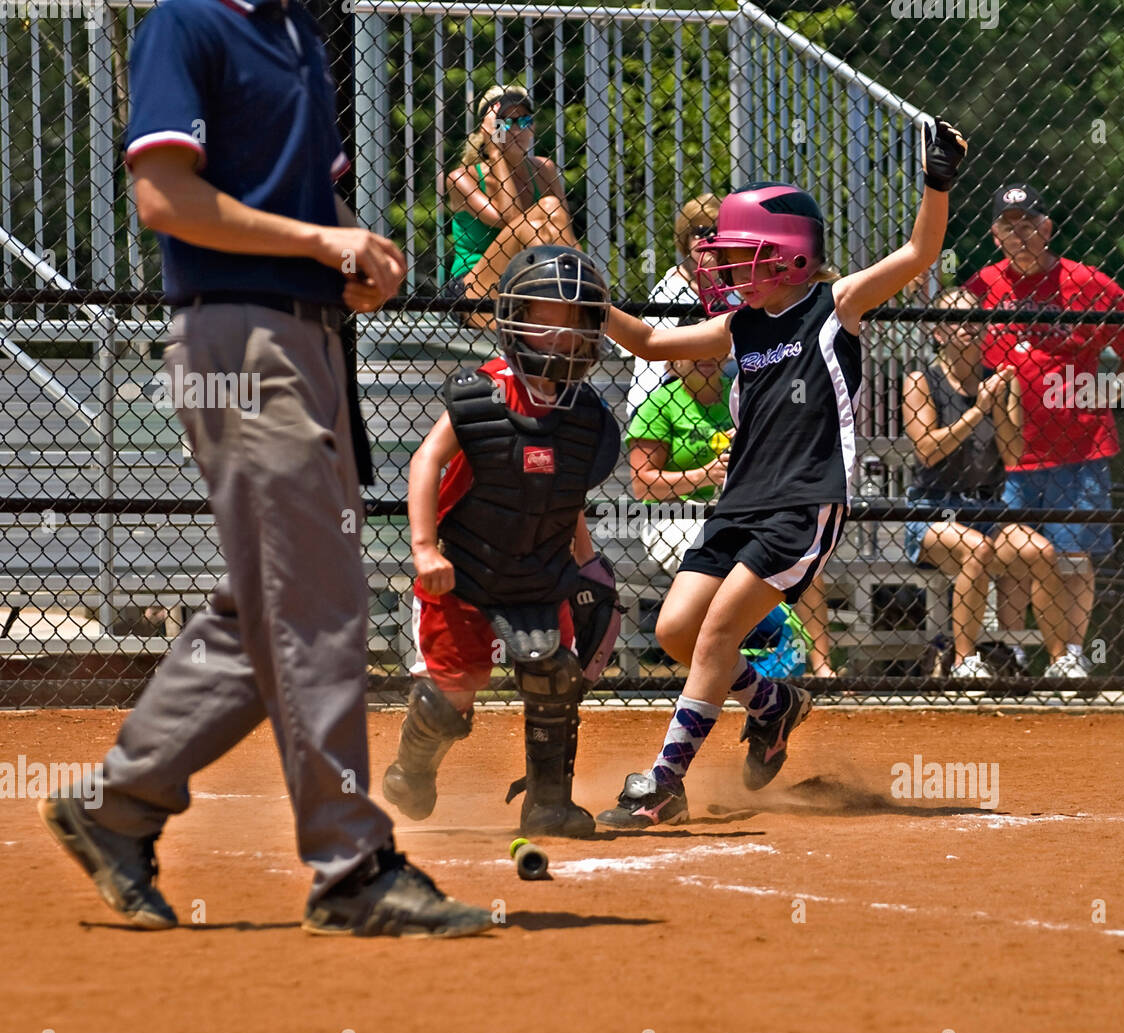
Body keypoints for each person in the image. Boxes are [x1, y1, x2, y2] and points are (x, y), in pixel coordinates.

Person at [38, 0, 493, 938]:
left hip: (312, 340)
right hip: (238, 338)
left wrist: (357, 246)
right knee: (318, 601)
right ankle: (351, 866)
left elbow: (314, 202)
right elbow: (165, 195)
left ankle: (115, 809)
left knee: (275, 605)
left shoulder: (295, 36)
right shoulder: (188, 24)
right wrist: (322, 244)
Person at [592, 118, 968, 827]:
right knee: (676, 630)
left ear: (789, 259)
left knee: (715, 634)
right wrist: (590, 298)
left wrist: (937, 179)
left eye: (741, 257)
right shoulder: (740, 328)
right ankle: (773, 705)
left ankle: (665, 782)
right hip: (739, 503)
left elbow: (921, 251)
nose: (724, 271)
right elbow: (644, 338)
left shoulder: (835, 307)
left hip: (803, 502)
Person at [382, 246, 623, 838]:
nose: (560, 339)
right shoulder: (488, 392)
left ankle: (548, 804)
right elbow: (425, 463)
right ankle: (413, 770)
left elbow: (560, 499)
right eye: (545, 321)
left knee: (554, 677)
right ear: (514, 318)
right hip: (460, 570)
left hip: (537, 573)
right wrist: (423, 548)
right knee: (451, 696)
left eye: (574, 325)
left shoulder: (585, 414)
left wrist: (588, 567)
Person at [964, 184, 1124, 678]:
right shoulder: (983, 286)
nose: (1019, 232)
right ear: (994, 235)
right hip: (1008, 452)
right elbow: (954, 340)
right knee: (1014, 556)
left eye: (1028, 222)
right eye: (1008, 224)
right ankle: (1014, 652)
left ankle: (1070, 657)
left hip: (1078, 447)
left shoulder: (1085, 281)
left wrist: (1111, 395)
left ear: (1047, 228)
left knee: (1074, 555)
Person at [626, 350, 838, 676]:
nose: (705, 355)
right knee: (731, 571)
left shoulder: (741, 391)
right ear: (674, 360)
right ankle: (737, 670)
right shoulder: (659, 404)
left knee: (803, 559)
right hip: (676, 515)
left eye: (711, 346)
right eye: (695, 349)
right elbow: (643, 486)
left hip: (743, 507)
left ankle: (822, 667)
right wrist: (704, 475)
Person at [901, 287, 1072, 681]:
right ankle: (964, 661)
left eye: (974, 319)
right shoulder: (920, 380)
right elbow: (928, 450)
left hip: (987, 508)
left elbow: (1013, 456)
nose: (967, 328)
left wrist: (997, 405)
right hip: (932, 509)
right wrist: (978, 411)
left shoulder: (1001, 381)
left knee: (1041, 552)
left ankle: (1061, 660)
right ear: (938, 333)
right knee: (975, 550)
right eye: (955, 321)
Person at [444, 84, 580, 328]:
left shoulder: (544, 169)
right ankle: (582, 304)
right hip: (476, 289)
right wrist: (495, 154)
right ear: (488, 131)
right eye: (505, 123)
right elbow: (514, 221)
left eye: (524, 120)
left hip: (531, 280)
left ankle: (584, 295)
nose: (517, 130)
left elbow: (562, 232)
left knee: (550, 206)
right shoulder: (463, 178)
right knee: (531, 225)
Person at [626, 194, 724, 416]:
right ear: (685, 239)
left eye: (718, 232)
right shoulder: (670, 291)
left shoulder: (738, 290)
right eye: (700, 231)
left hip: (723, 402)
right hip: (662, 405)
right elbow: (665, 365)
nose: (710, 239)